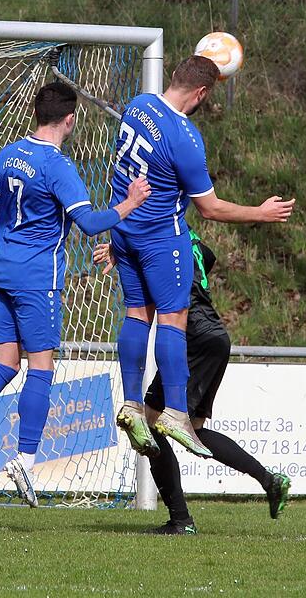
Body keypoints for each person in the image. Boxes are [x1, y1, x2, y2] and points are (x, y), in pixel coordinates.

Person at [0, 81, 151, 507]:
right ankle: (25, 460)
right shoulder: (59, 167)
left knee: (5, 363)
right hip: (38, 279)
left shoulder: (9, 153)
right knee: (41, 368)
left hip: (0, 271)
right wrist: (129, 204)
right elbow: (91, 224)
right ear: (70, 119)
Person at [108, 55, 294, 459]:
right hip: (160, 238)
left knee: (137, 315)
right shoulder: (186, 137)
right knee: (173, 319)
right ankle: (176, 412)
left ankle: (130, 403)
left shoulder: (137, 105)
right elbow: (209, 208)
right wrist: (260, 214)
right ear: (203, 92)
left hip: (122, 230)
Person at [94, 231, 291, 534]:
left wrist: (120, 251)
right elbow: (207, 257)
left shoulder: (154, 235)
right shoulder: (187, 236)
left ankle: (180, 520)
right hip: (216, 336)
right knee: (192, 428)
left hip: (191, 336)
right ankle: (269, 481)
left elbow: (145, 268)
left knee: (147, 421)